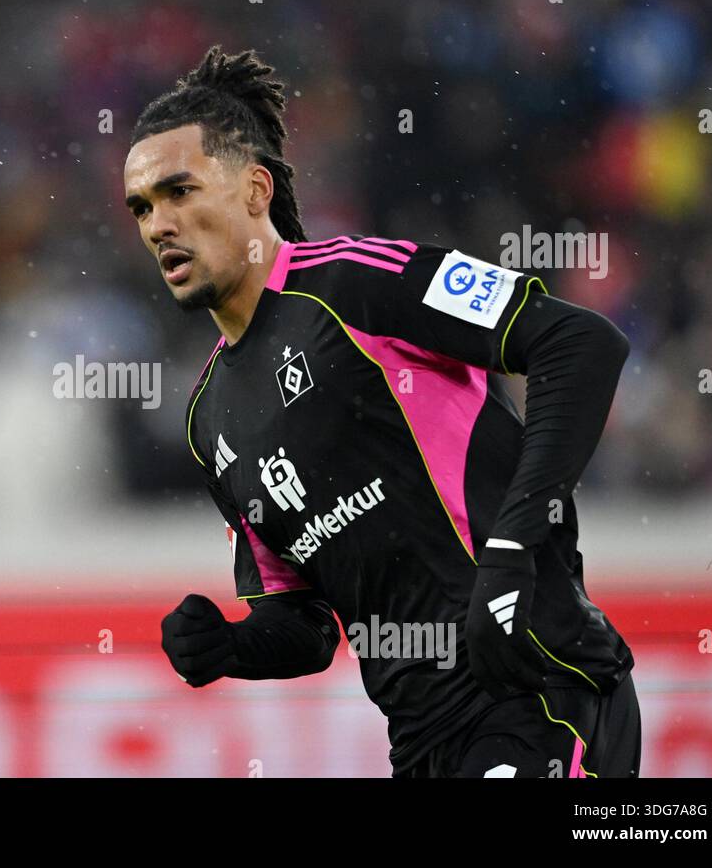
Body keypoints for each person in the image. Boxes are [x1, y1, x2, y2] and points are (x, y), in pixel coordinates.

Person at [124, 46, 639, 777]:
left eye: (178, 192)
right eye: (142, 207)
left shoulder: (356, 283)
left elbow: (578, 344)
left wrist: (512, 551)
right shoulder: (210, 420)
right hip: (423, 747)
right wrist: (234, 647)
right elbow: (303, 620)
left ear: (254, 191)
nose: (157, 224)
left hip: (542, 693)